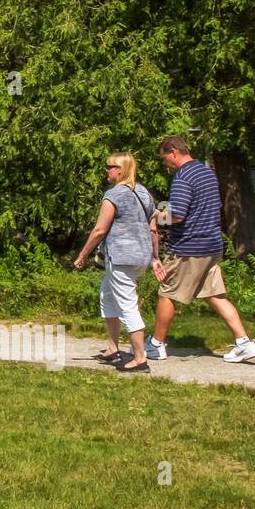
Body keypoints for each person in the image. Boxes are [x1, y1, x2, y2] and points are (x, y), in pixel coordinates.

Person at [146, 135, 255, 363]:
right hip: (212, 245)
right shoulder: (206, 172)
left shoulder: (183, 177)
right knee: (214, 294)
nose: (165, 164)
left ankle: (156, 345)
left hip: (189, 247)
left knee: (167, 292)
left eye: (164, 158)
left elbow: (177, 215)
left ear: (174, 152)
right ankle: (244, 343)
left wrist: (157, 215)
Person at [75, 152, 159, 372]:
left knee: (127, 305)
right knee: (107, 294)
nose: (107, 170)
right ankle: (113, 347)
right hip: (139, 257)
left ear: (120, 170)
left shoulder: (114, 194)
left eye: (110, 166)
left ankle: (140, 358)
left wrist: (83, 254)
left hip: (121, 257)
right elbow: (153, 229)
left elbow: (100, 229)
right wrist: (156, 258)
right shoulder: (144, 193)